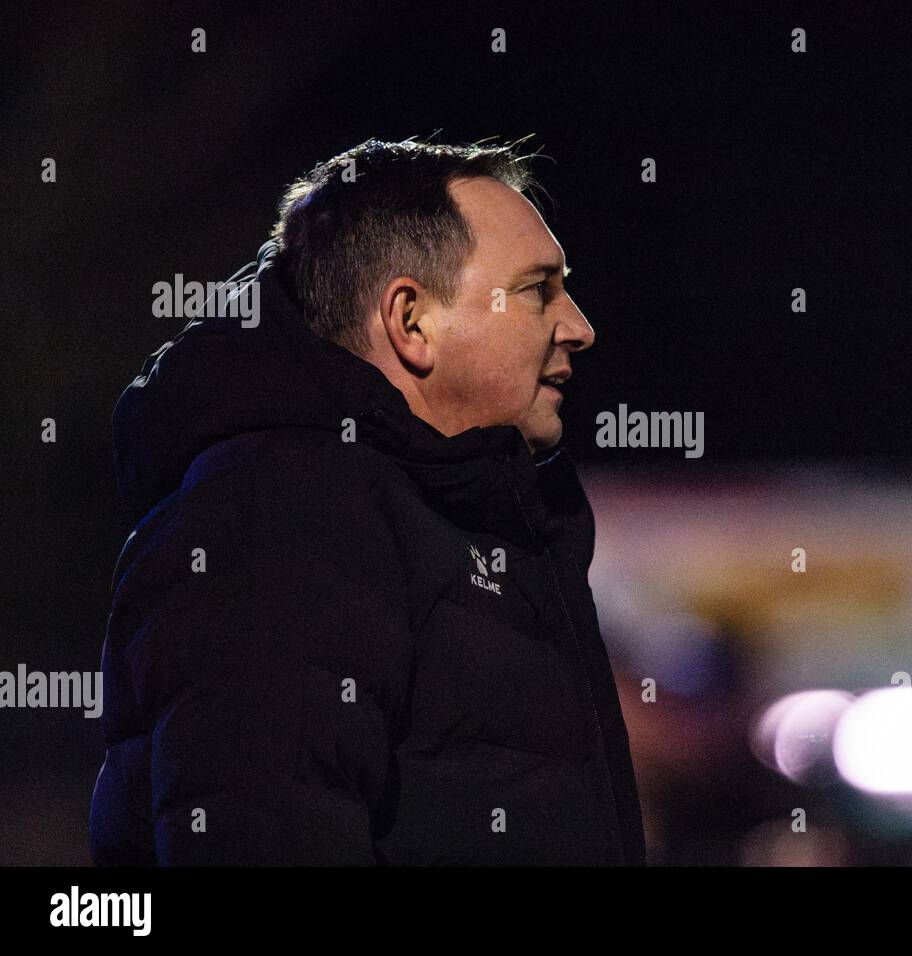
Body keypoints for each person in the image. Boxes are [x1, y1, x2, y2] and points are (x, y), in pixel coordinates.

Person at [89, 138, 647, 865]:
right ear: (411, 321)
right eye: (540, 289)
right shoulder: (280, 514)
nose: (579, 326)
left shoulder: (461, 518)